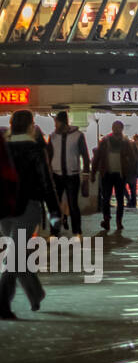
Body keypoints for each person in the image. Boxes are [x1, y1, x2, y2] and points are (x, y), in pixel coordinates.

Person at [0, 111, 66, 319]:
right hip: (28, 208)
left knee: (15, 254)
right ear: (31, 126)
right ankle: (7, 301)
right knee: (16, 256)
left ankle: (32, 294)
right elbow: (47, 185)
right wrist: (55, 215)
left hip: (5, 210)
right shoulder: (35, 150)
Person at [47, 111, 89, 239]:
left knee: (73, 204)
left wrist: (86, 173)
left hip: (72, 174)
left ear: (61, 121)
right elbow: (49, 156)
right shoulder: (53, 136)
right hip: (57, 174)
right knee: (56, 205)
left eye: (56, 121)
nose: (55, 124)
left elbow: (85, 156)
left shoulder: (77, 135)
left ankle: (77, 231)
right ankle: (54, 232)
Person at [92, 120, 136, 233]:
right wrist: (93, 173)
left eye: (118, 127)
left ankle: (118, 221)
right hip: (107, 173)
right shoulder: (105, 141)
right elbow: (97, 158)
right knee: (106, 199)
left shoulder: (126, 142)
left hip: (120, 175)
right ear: (112, 128)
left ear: (121, 129)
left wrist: (131, 171)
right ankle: (106, 220)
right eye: (114, 127)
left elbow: (132, 158)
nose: (116, 129)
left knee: (120, 199)